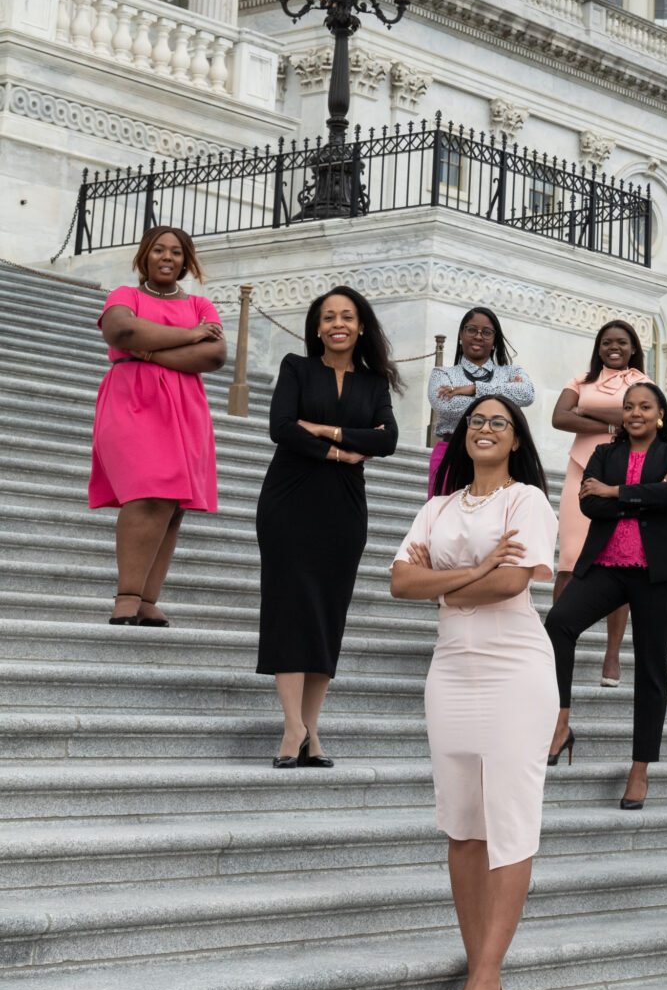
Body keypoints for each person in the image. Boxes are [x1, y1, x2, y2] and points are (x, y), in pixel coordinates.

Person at [391, 395, 558, 990]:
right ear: (462, 438)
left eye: (500, 423)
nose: (486, 429)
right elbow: (399, 583)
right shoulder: (436, 507)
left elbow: (511, 586)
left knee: (508, 823)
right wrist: (481, 567)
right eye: (476, 422)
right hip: (450, 670)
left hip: (514, 667)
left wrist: (457, 576)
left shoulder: (528, 501)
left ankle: (487, 981)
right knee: (462, 826)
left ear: (516, 439)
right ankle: (478, 974)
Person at [256, 288, 399, 766]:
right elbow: (281, 426)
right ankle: (291, 727)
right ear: (317, 327)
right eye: (328, 316)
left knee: (326, 614)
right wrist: (339, 450)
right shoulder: (297, 367)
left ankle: (310, 730)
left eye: (348, 316)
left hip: (343, 508)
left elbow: (389, 440)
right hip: (289, 499)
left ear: (361, 326)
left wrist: (324, 429)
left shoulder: (375, 382)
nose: (338, 323)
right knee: (289, 608)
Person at [543, 380, 667, 809]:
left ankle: (640, 767)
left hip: (657, 575)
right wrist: (638, 496)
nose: (635, 413)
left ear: (660, 414)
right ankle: (560, 722)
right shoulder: (604, 453)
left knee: (650, 671)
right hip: (605, 566)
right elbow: (591, 504)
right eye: (629, 407)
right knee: (558, 623)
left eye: (645, 406)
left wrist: (615, 492)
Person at [93, 226, 226, 626]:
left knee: (171, 505)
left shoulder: (202, 304)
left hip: (185, 409)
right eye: (158, 250)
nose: (167, 258)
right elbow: (121, 331)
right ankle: (127, 596)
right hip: (132, 401)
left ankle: (147, 599)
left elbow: (214, 356)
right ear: (144, 256)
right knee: (146, 493)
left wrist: (149, 351)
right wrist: (188, 336)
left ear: (187, 261)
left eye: (176, 252)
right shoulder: (125, 296)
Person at [551, 321, 650, 686]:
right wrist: (613, 424)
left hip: (623, 476)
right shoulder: (580, 379)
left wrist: (587, 414)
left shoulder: (643, 383)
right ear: (599, 347)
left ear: (632, 348)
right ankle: (557, 646)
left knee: (617, 562)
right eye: (607, 342)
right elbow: (559, 417)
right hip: (580, 473)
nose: (614, 347)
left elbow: (642, 418)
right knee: (569, 561)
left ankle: (612, 656)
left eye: (621, 342)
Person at [426, 307, 533, 496]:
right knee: (444, 518)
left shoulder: (511, 372)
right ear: (461, 334)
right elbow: (447, 407)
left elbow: (526, 394)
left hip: (500, 457)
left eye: (486, 332)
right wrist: (503, 397)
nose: (478, 336)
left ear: (494, 340)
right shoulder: (443, 374)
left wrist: (473, 389)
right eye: (472, 330)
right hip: (451, 455)